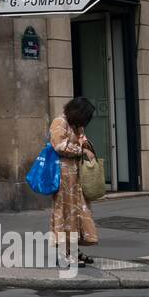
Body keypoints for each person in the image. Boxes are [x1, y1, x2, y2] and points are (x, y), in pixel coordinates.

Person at [48, 96, 99, 266]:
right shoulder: (59, 122)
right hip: (63, 176)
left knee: (77, 214)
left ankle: (74, 251)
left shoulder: (76, 125)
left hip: (76, 177)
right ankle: (64, 253)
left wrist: (85, 145)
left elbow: (83, 142)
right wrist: (81, 151)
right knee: (65, 214)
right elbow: (59, 146)